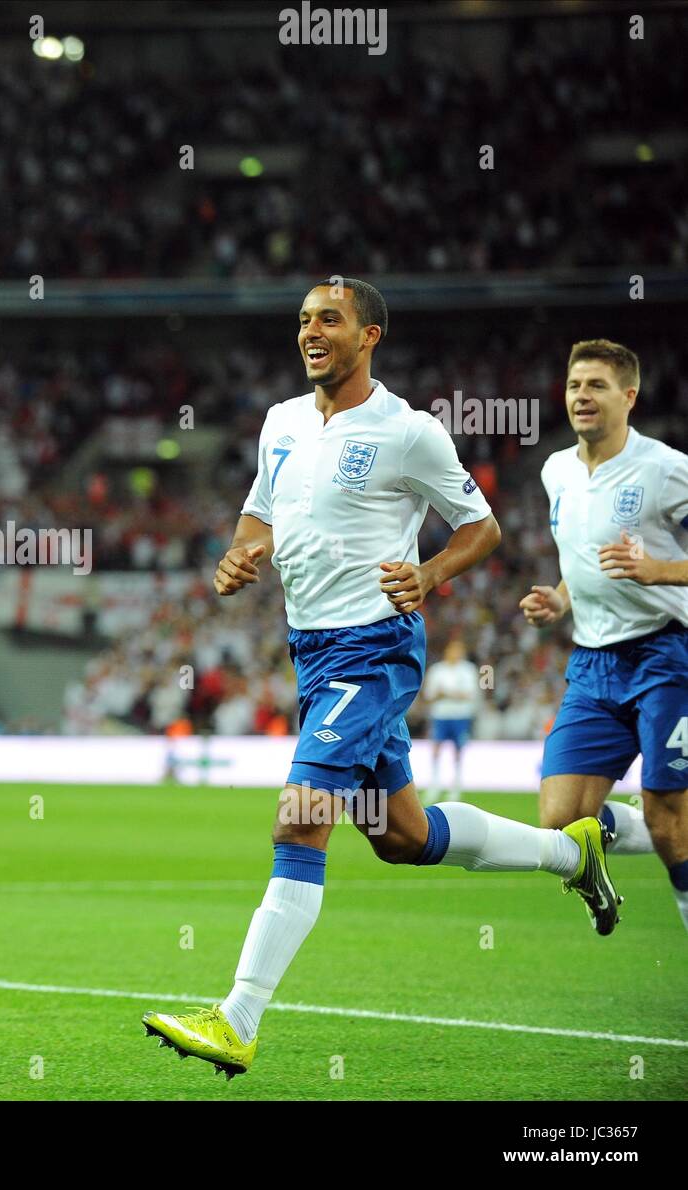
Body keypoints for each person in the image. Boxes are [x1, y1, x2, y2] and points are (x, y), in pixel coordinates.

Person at [143, 280, 619, 1079]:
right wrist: (243, 551)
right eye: (302, 320)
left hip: (374, 650)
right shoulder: (281, 423)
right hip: (312, 652)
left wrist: (430, 575)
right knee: (402, 837)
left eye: (329, 319)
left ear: (370, 336)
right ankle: (569, 856)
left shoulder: (410, 433)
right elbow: (260, 511)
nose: (311, 331)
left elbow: (483, 527)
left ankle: (237, 1018)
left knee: (299, 819)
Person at [521, 338, 688, 932]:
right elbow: (583, 556)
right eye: (573, 386)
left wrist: (660, 570)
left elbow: (648, 565)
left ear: (630, 396)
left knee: (670, 822)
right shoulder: (556, 469)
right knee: (558, 824)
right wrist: (559, 600)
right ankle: (601, 845)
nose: (581, 397)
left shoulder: (666, 469)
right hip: (592, 664)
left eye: (596, 386)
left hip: (664, 653)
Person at [422, 639, 480, 802]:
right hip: (440, 715)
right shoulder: (437, 670)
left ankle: (456, 785)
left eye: (459, 650)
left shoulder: (468, 670)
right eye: (453, 650)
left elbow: (470, 695)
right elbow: (429, 695)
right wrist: (453, 694)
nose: (456, 653)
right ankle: (434, 784)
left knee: (458, 750)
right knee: (436, 749)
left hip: (460, 716)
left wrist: (446, 694)